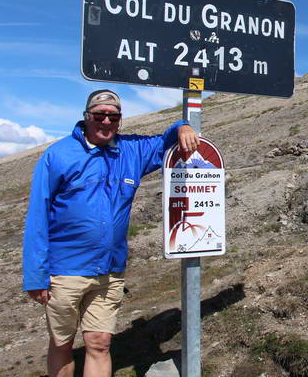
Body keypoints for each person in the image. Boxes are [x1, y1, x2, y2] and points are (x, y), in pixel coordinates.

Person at [22, 89, 198, 377]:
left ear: (119, 119)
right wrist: (35, 274)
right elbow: (37, 216)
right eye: (99, 115)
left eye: (113, 116)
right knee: (62, 343)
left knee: (100, 342)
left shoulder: (131, 151)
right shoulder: (58, 154)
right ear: (86, 117)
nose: (106, 122)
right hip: (65, 269)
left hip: (110, 270)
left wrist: (183, 126)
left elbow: (164, 141)